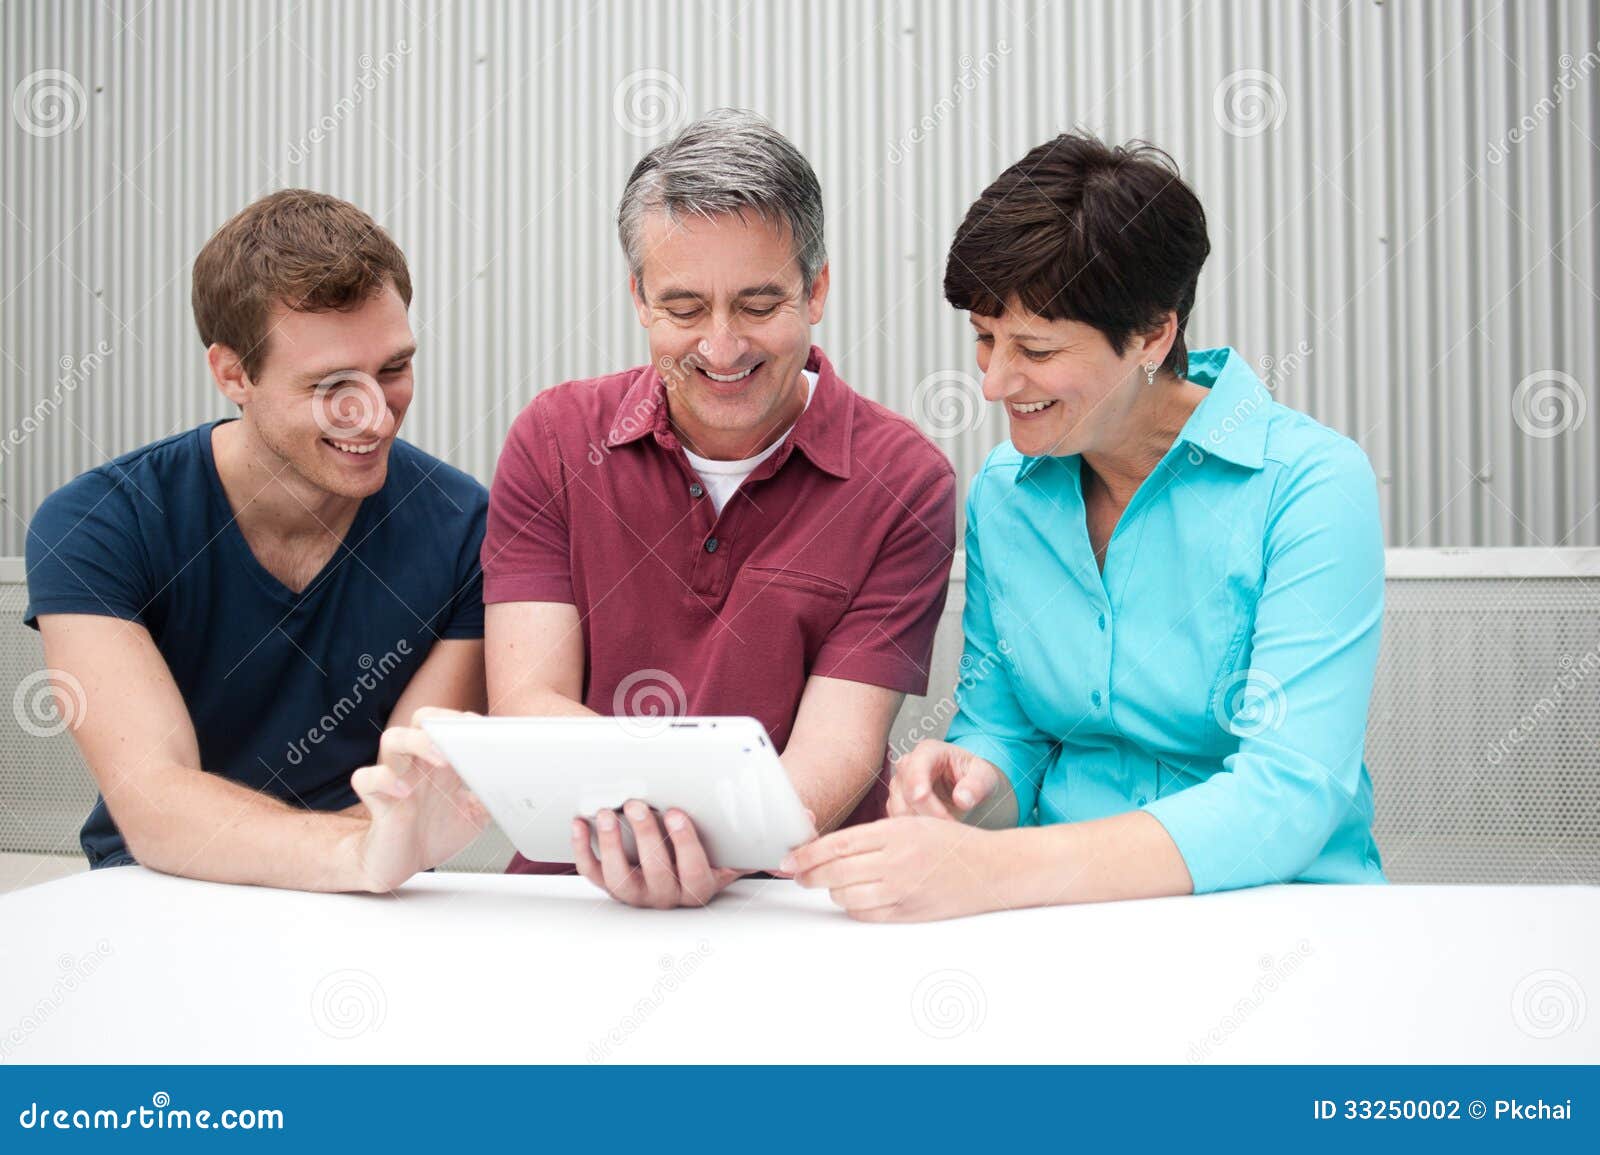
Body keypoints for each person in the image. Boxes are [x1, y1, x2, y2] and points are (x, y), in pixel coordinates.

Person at [788, 133, 1387, 920]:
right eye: (983, 338)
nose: (996, 381)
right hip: (1063, 923)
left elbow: (1289, 793)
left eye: (1034, 348)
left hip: (1283, 919)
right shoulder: (1008, 493)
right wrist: (970, 785)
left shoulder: (1310, 487)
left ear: (1151, 336)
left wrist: (992, 869)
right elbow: (1009, 733)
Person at [483, 109, 957, 908]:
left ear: (818, 288)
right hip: (576, 896)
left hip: (795, 903)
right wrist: (663, 833)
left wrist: (710, 845)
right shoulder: (555, 440)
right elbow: (529, 705)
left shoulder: (904, 481)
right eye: (685, 308)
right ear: (638, 298)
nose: (723, 346)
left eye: (759, 304)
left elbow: (834, 752)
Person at [25, 190, 491, 892]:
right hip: (155, 895)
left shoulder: (465, 528)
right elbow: (155, 800)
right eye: (329, 382)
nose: (372, 412)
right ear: (232, 373)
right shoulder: (98, 523)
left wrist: (374, 855)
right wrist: (360, 853)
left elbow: (409, 793)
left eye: (393, 368)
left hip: (368, 902)